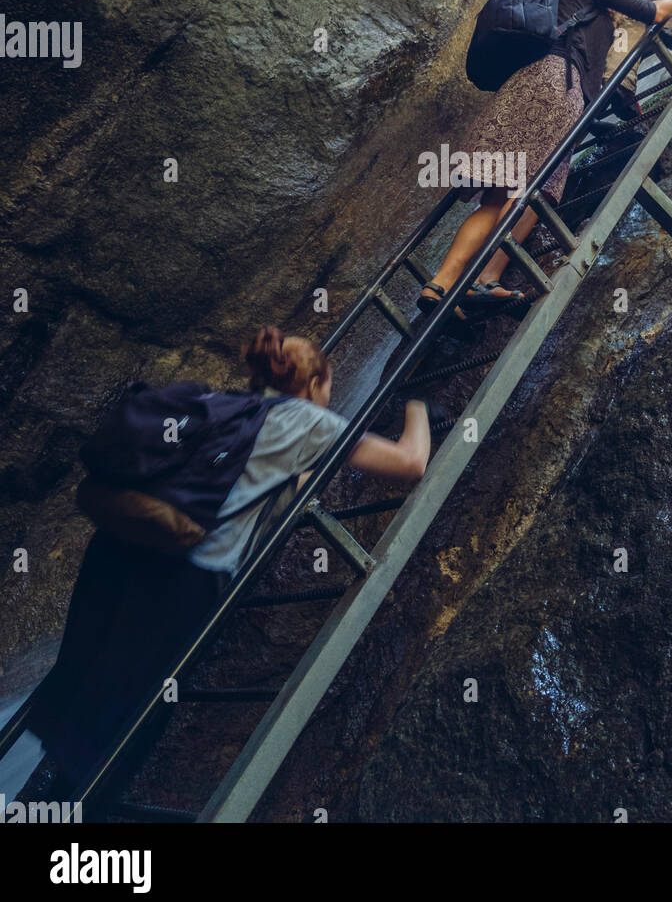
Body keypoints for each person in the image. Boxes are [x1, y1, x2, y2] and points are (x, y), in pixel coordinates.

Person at [28, 328, 430, 788]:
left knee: (90, 677)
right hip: (186, 577)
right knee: (135, 709)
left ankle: (48, 796)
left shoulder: (227, 407)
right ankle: (85, 817)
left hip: (124, 548)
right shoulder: (309, 422)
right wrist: (414, 405)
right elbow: (410, 463)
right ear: (316, 383)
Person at [418, 0, 672, 321]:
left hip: (531, 85)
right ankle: (481, 278)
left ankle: (442, 284)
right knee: (528, 189)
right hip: (557, 87)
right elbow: (654, 10)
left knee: (500, 196)